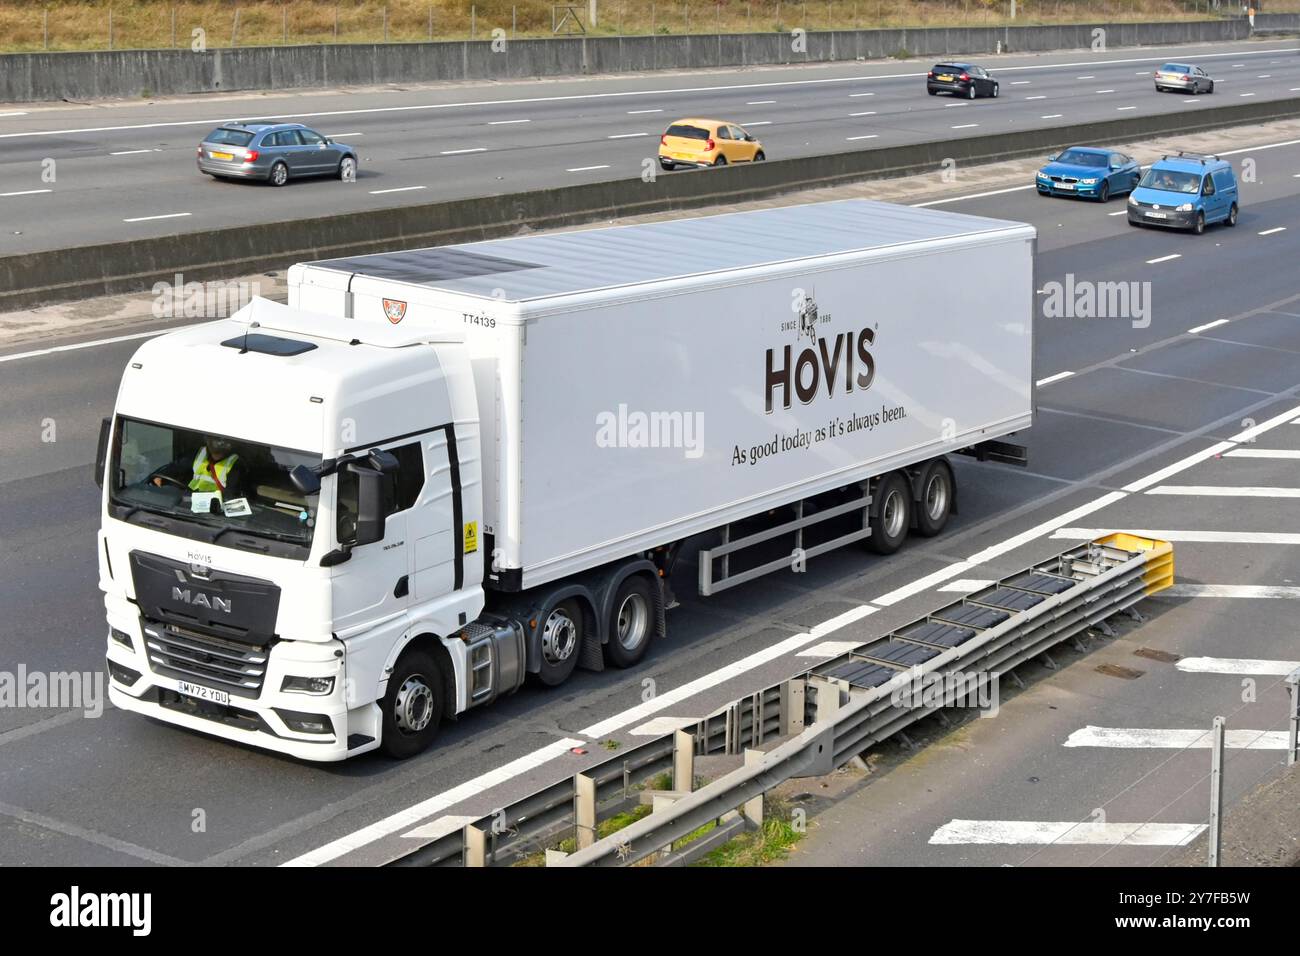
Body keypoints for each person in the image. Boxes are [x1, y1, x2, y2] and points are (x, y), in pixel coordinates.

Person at [151, 436, 246, 503]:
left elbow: (230, 495)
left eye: (220, 443)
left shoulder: (235, 464)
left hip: (213, 506)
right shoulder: (199, 454)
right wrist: (161, 475)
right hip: (190, 500)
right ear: (207, 441)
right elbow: (176, 466)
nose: (215, 445)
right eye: (212, 440)